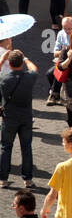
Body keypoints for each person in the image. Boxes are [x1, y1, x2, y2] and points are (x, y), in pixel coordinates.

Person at [0, 50, 37, 187]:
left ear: (9, 64)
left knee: (5, 147)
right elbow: (34, 69)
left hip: (9, 118)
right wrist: (26, 58)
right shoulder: (29, 77)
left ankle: (3, 179)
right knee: (26, 147)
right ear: (21, 63)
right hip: (26, 117)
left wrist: (3, 58)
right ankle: (28, 179)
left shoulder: (4, 78)